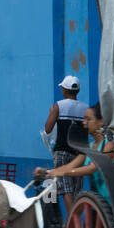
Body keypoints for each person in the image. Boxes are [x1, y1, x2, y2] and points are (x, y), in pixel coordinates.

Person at [43, 76, 89, 219]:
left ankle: (73, 226)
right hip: (80, 153)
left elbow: (48, 128)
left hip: (62, 151)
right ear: (78, 90)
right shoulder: (86, 108)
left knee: (66, 190)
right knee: (76, 191)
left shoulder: (59, 105)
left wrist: (52, 112)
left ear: (64, 90)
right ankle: (75, 224)